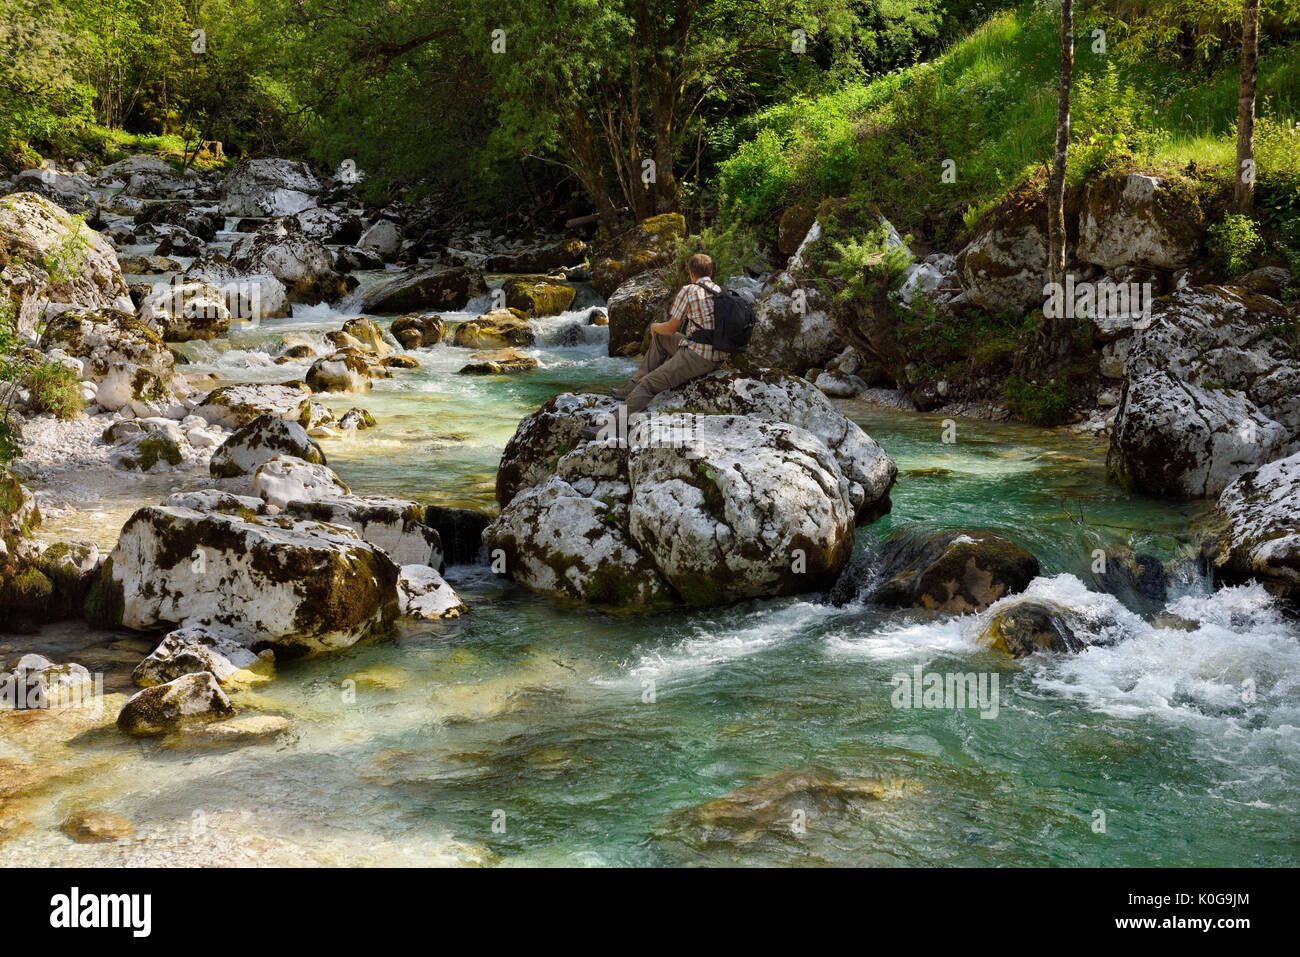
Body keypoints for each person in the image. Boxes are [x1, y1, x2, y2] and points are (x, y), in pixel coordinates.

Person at [612, 252, 723, 415]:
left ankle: (613, 425)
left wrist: (655, 326)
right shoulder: (719, 291)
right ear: (710, 272)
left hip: (699, 357)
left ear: (691, 273)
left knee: (649, 383)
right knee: (661, 338)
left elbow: (671, 328)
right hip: (717, 353)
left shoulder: (689, 290)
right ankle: (631, 387)